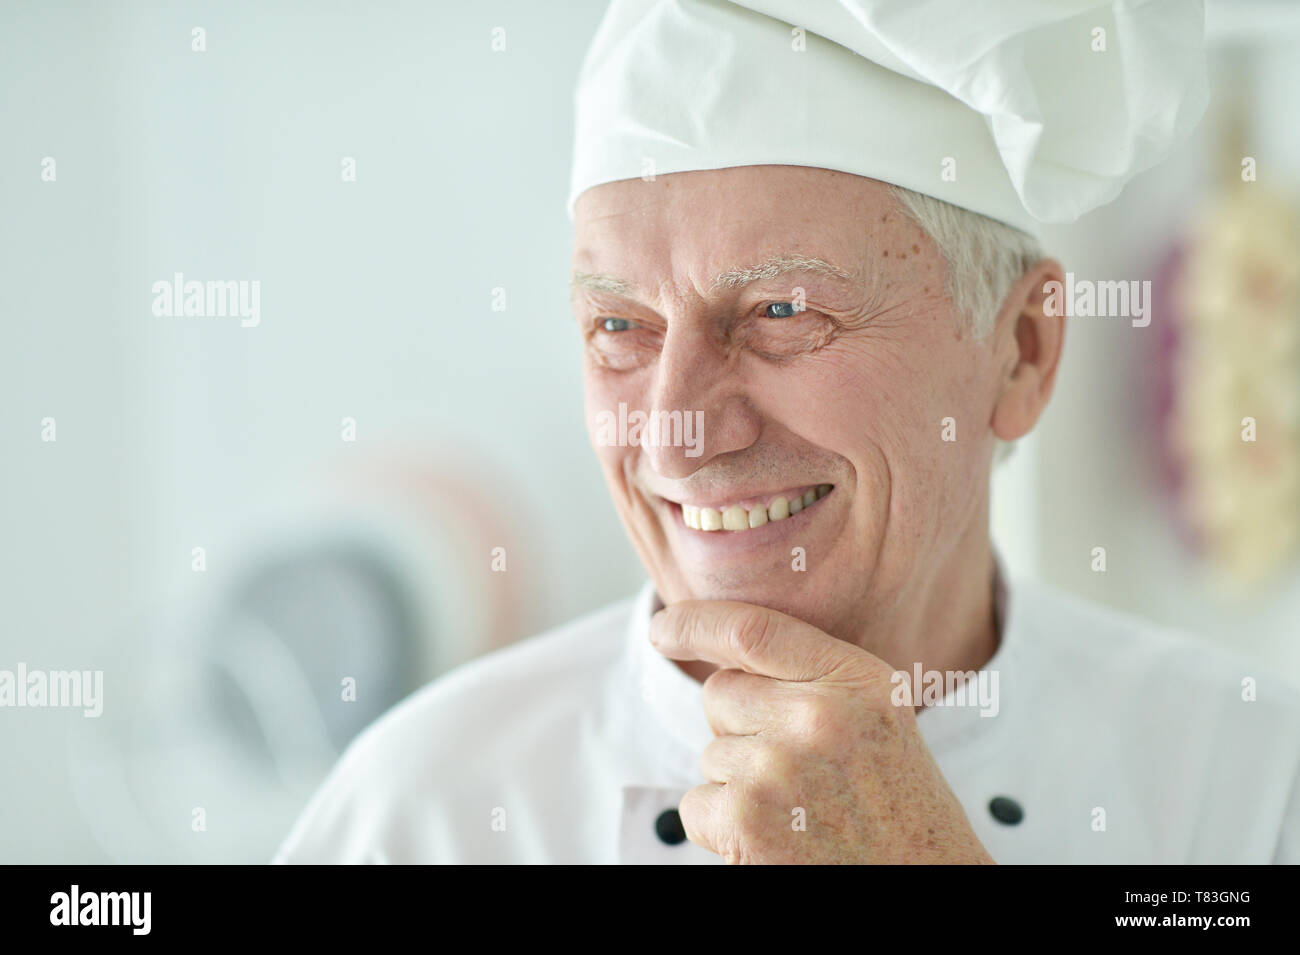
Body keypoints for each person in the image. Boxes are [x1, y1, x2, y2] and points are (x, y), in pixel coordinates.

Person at [273, 0, 1300, 864]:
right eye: (619, 329)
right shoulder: (421, 816)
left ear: (1021, 350)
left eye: (779, 314)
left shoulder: (1246, 785)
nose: (679, 436)